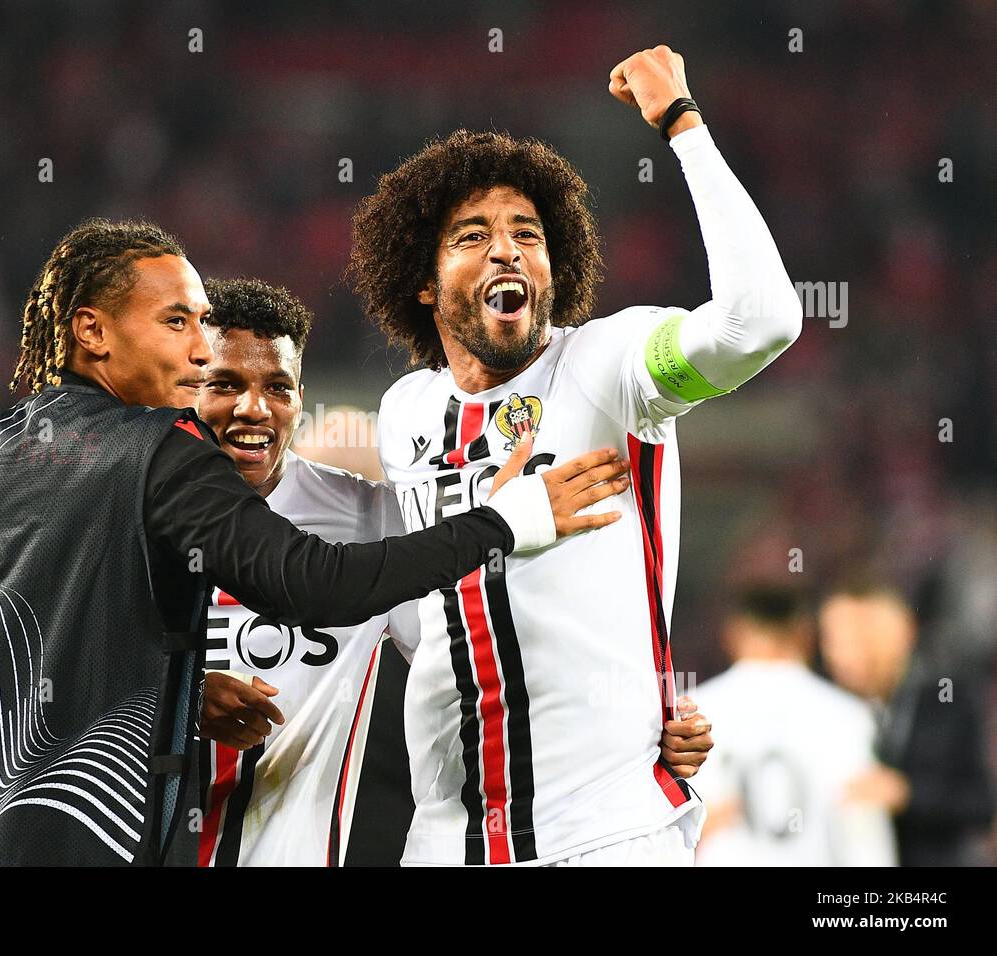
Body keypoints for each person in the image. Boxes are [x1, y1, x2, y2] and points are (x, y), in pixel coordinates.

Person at [0, 218, 606, 866]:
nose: (198, 352)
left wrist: (170, 696)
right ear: (91, 331)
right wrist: (505, 521)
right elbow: (316, 585)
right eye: (177, 324)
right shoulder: (159, 449)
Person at [346, 45, 800, 865]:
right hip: (445, 843)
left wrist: (682, 126)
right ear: (422, 281)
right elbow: (421, 616)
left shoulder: (612, 367)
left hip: (609, 836)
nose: (507, 250)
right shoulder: (404, 414)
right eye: (472, 235)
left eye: (528, 232)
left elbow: (759, 323)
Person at [193, 278, 713, 865]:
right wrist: (179, 693)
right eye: (223, 384)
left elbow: (476, 647)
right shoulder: (118, 510)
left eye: (278, 388)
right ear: (185, 387)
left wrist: (638, 724)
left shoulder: (368, 521)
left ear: (299, 397)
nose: (254, 408)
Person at [692, 585, 896, 866]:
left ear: (734, 633)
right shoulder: (846, 715)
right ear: (804, 633)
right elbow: (864, 835)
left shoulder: (695, 711)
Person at [819, 581, 995, 866]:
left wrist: (907, 794)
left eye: (861, 638)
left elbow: (980, 803)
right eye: (834, 640)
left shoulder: (944, 702)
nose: (845, 654)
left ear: (901, 633)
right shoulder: (824, 710)